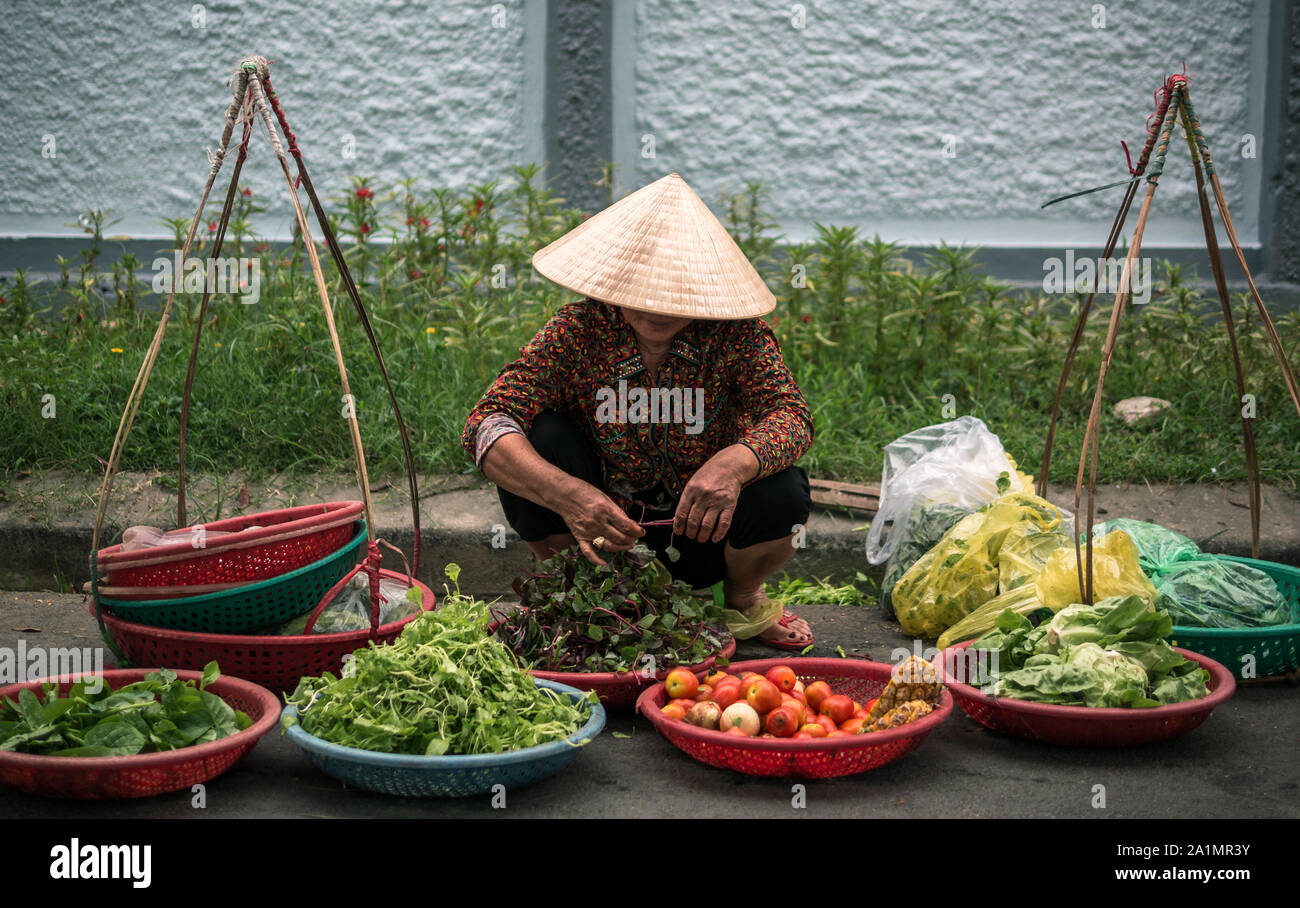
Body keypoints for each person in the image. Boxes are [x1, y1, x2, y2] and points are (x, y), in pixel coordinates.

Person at [461, 172, 815, 649]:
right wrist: (569, 497)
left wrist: (733, 465)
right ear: (617, 279)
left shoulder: (738, 336)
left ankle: (744, 597)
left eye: (674, 290)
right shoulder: (578, 332)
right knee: (539, 439)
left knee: (784, 487)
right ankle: (574, 591)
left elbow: (790, 414)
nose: (656, 307)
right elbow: (487, 422)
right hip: (601, 536)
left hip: (703, 534)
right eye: (642, 288)